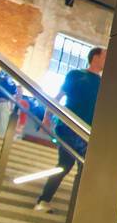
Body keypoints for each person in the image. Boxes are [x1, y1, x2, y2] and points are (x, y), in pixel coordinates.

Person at [35, 47, 106, 211]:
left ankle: (79, 209)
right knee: (65, 163)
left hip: (87, 132)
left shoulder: (104, 82)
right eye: (105, 56)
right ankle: (43, 200)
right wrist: (47, 116)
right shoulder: (76, 75)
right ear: (95, 57)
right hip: (67, 127)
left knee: (86, 169)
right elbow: (58, 97)